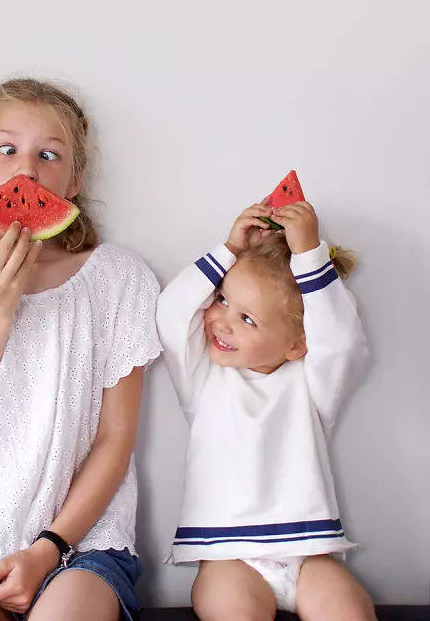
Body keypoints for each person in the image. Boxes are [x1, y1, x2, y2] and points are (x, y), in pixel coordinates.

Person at [0, 78, 161, 620]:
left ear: (74, 180)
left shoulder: (119, 280)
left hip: (80, 542)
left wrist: (49, 549)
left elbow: (116, 441)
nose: (26, 173)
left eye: (49, 155)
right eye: (7, 150)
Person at [157, 199, 376, 620]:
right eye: (222, 299)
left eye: (248, 319)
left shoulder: (311, 384)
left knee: (353, 612)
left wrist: (311, 254)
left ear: (298, 344)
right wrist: (227, 251)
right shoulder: (204, 378)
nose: (222, 321)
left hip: (308, 556)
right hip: (227, 557)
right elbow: (171, 313)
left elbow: (343, 344)